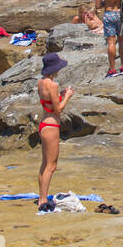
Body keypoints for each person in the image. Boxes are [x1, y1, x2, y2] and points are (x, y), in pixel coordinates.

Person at [35, 52, 74, 215]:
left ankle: (41, 196)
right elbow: (58, 110)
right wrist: (67, 96)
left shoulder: (40, 82)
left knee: (44, 164)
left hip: (44, 123)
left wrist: (60, 96)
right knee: (51, 165)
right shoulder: (52, 85)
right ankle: (43, 200)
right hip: (52, 126)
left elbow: (49, 104)